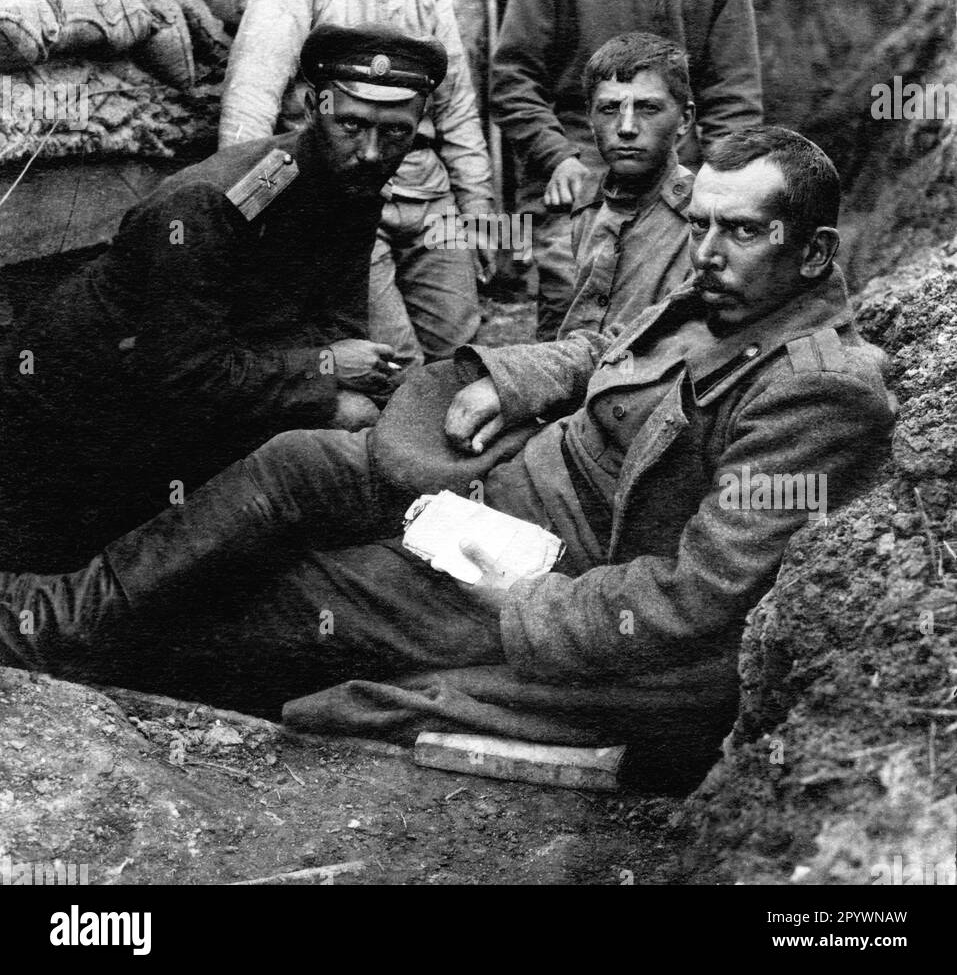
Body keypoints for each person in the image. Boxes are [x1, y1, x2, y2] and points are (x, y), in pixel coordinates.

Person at [0, 129, 896, 765]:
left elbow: (695, 597)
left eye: (739, 230)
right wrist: (511, 380)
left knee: (289, 597)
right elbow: (603, 348)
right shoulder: (727, 292)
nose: (704, 252)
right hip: (490, 483)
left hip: (525, 567)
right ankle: (62, 612)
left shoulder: (816, 391)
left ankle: (78, 641)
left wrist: (529, 599)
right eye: (697, 222)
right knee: (298, 462)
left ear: (812, 253)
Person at [0, 23, 446, 569]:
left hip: (189, 391)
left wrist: (354, 372)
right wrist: (326, 369)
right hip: (74, 425)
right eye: (351, 124)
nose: (372, 151)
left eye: (396, 132)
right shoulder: (212, 205)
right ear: (313, 108)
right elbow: (182, 375)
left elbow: (335, 319)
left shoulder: (352, 184)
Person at [217, 0, 494, 366]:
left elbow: (457, 103)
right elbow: (251, 102)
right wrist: (248, 222)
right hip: (336, 199)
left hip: (427, 194)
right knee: (392, 367)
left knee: (466, 357)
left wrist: (479, 213)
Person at [492, 0, 763, 338]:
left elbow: (733, 94)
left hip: (677, 167)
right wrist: (556, 157)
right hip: (579, 162)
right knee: (575, 318)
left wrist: (717, 179)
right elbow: (513, 78)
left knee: (684, 317)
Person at [559, 30, 695, 338]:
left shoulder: (703, 220)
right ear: (590, 119)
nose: (627, 128)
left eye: (648, 108)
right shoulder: (587, 213)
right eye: (609, 109)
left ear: (685, 119)